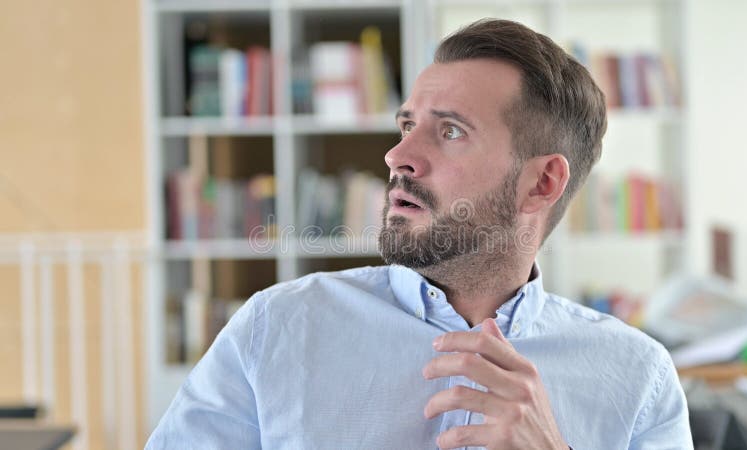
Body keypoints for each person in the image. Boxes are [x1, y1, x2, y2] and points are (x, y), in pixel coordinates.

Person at [146, 19, 692, 449]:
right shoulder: (276, 329)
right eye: (408, 125)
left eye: (451, 131)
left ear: (542, 182)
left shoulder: (638, 378)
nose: (397, 156)